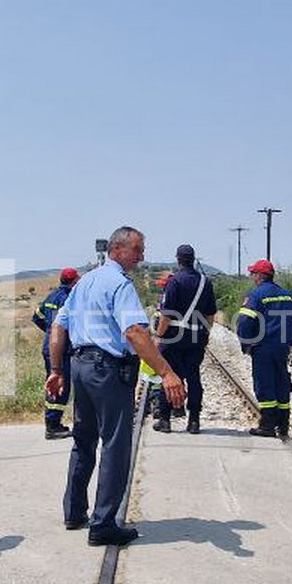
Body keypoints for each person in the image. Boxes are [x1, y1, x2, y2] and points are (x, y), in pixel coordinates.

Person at [45, 226, 186, 546]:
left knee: (83, 441)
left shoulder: (84, 283)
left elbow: (58, 327)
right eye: (137, 249)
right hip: (108, 372)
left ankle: (74, 512)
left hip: (80, 367)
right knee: (115, 445)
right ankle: (103, 524)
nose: (141, 256)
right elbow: (135, 332)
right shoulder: (119, 284)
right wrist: (166, 373)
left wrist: (56, 369)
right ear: (118, 249)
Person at [235, 259, 292, 439]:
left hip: (263, 347)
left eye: (253, 274)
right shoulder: (287, 295)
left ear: (259, 276)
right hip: (282, 347)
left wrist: (246, 344)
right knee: (281, 383)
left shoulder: (256, 296)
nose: (252, 277)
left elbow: (244, 321)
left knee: (264, 384)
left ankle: (267, 426)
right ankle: (283, 426)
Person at [152, 244, 217, 434]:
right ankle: (194, 421)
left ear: (178, 259)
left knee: (170, 376)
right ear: (193, 259)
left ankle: (165, 419)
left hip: (173, 338)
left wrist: (159, 336)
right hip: (196, 338)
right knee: (194, 377)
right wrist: (204, 334)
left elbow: (166, 315)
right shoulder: (206, 282)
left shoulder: (174, 282)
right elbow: (210, 315)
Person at [32, 268, 80, 440]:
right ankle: (52, 426)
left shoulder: (51, 296)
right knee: (60, 387)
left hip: (49, 347)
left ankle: (52, 423)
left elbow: (37, 317)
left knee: (54, 385)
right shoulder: (67, 299)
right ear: (73, 281)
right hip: (60, 350)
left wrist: (48, 332)